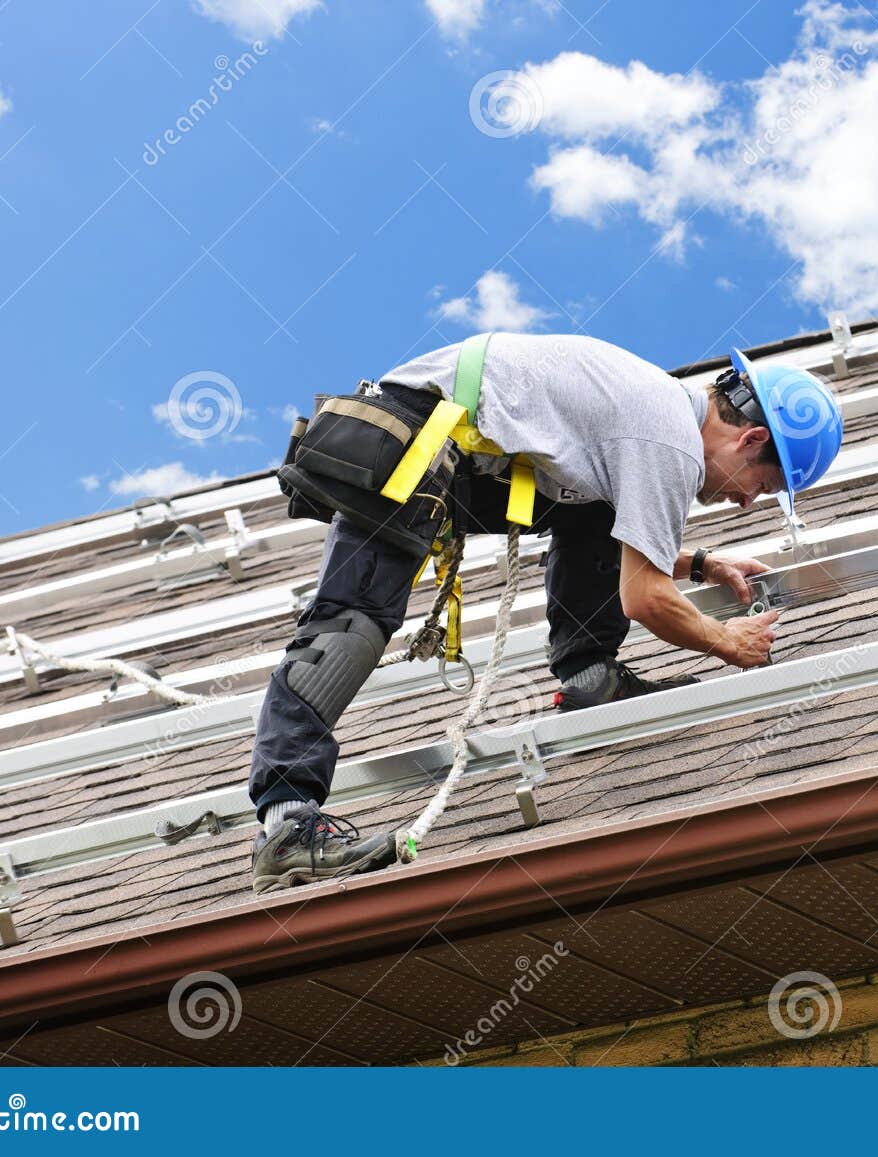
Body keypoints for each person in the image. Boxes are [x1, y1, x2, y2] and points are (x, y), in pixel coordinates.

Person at [248, 334, 843, 893]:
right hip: (413, 442)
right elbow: (644, 598)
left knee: (594, 510)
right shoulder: (669, 441)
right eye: (760, 489)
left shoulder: (658, 413)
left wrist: (698, 564)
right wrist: (726, 642)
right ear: (751, 441)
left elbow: (626, 539)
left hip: (454, 450)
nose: (743, 502)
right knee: (350, 628)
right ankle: (286, 823)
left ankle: (591, 677)